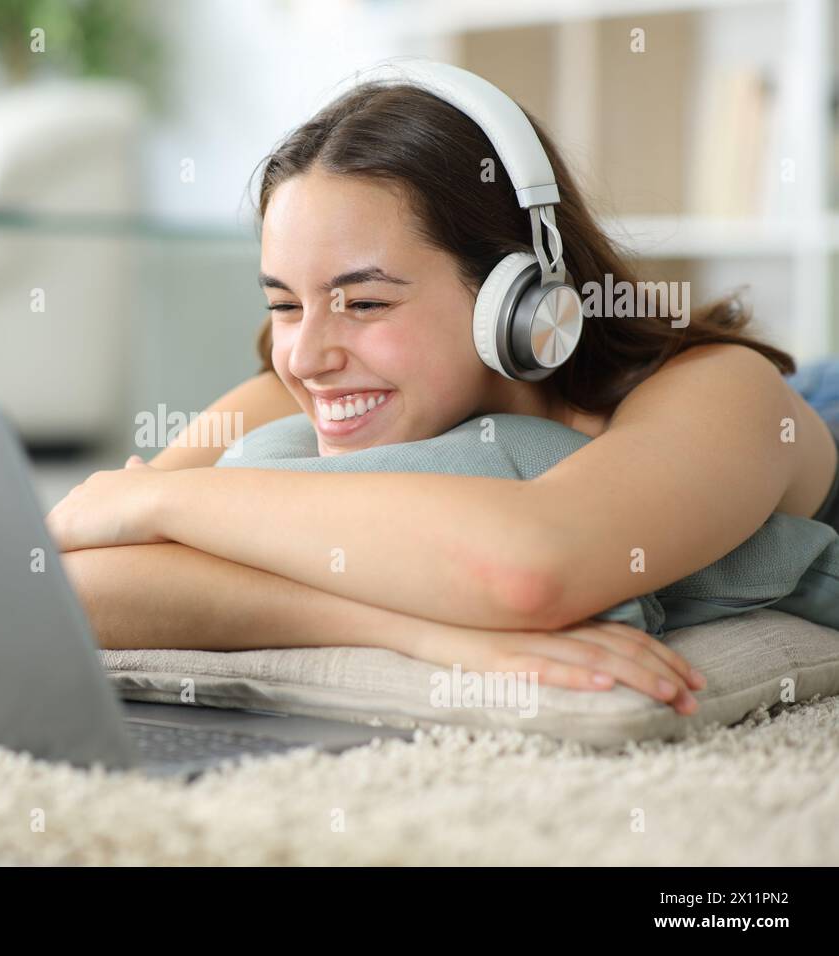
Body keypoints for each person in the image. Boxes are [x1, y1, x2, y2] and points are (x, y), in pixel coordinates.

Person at [47, 75, 839, 717]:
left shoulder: (724, 392)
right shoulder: (305, 384)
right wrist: (413, 631)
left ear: (518, 301)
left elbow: (531, 571)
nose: (309, 358)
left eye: (365, 303)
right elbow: (75, 577)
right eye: (284, 304)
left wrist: (164, 502)